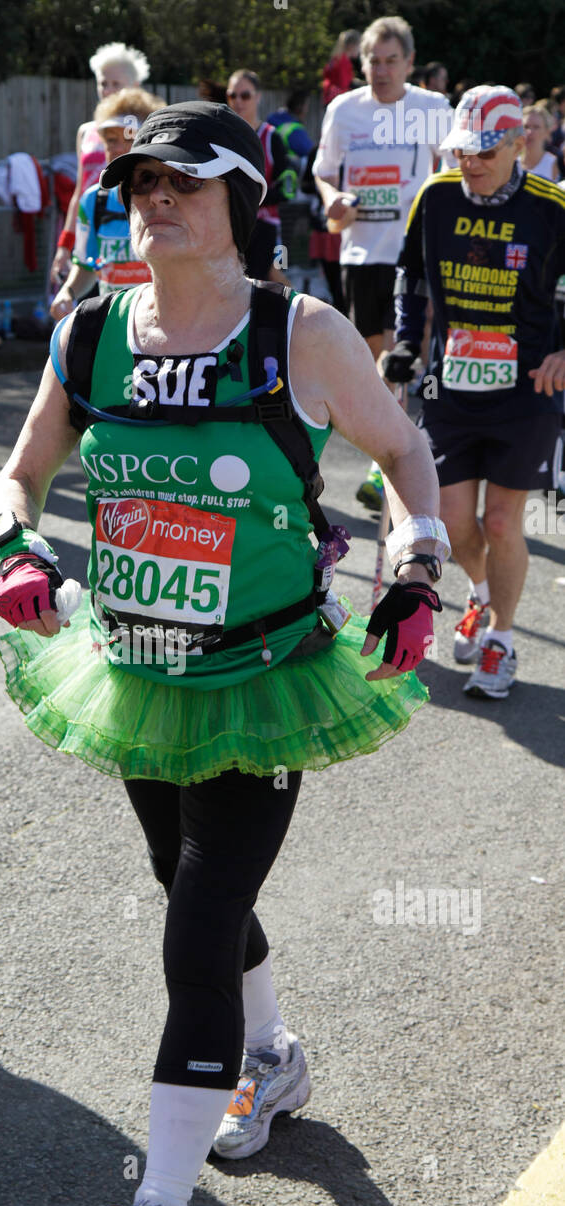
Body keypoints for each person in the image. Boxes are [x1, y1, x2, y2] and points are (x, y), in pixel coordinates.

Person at [0, 100, 448, 1206]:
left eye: (182, 184)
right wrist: (15, 550)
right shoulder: (88, 332)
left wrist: (415, 566)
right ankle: (274, 1057)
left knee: (193, 925)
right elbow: (19, 476)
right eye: (139, 182)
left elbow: (400, 454)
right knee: (184, 883)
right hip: (138, 669)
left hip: (264, 675)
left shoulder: (298, 334)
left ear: (240, 206)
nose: (153, 200)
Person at [383, 85, 565, 698]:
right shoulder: (434, 198)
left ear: (521, 144)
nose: (471, 163)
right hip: (451, 387)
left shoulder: (551, 207)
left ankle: (502, 639)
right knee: (455, 522)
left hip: (527, 391)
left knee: (503, 522)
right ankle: (481, 596)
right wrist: (407, 342)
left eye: (485, 152)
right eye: (462, 150)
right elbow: (409, 273)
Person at [313, 14, 452, 512]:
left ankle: (390, 465)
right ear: (361, 62)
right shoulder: (344, 110)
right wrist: (334, 200)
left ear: (410, 62)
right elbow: (324, 172)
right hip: (361, 251)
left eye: (393, 60)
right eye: (374, 60)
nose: (382, 69)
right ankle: (397, 452)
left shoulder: (431, 107)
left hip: (411, 254)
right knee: (376, 366)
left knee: (402, 355)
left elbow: (455, 171)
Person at [49, 89, 163, 321]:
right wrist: (67, 292)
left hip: (162, 327)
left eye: (130, 137)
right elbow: (86, 266)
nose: (119, 148)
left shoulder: (167, 198)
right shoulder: (93, 200)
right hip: (111, 327)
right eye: (111, 140)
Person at [49, 43, 150, 291]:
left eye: (116, 84)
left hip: (135, 220)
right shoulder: (87, 131)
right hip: (96, 220)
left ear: (135, 86)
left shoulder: (146, 125)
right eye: (103, 83)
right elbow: (80, 189)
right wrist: (65, 243)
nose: (108, 90)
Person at [226, 70, 294, 283]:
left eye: (245, 95)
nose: (238, 101)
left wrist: (250, 201)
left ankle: (301, 314)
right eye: (232, 95)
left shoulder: (272, 137)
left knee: (271, 279)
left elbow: (287, 188)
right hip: (230, 226)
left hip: (265, 226)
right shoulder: (222, 137)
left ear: (258, 97)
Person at [522, 102, 560, 180]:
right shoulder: (512, 162)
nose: (529, 132)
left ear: (547, 132)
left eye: (536, 127)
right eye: (526, 127)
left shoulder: (554, 164)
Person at [322, 30, 360, 106]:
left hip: (329, 98)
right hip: (337, 100)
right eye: (359, 45)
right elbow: (344, 85)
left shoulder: (336, 59)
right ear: (351, 45)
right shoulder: (344, 61)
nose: (360, 49)